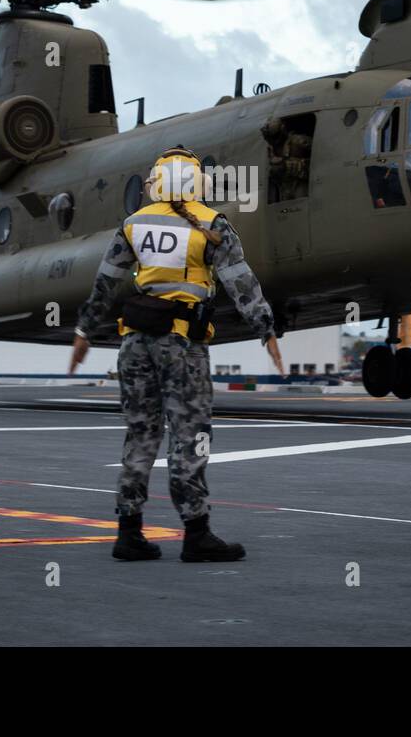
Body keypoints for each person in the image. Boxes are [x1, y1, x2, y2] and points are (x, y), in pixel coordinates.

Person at [69, 146, 283, 562]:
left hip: (134, 343)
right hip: (181, 345)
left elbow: (104, 284)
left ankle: (128, 533)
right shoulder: (211, 225)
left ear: (156, 183)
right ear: (198, 183)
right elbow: (241, 283)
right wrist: (266, 330)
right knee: (190, 436)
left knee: (140, 433)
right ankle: (196, 533)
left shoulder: (133, 225)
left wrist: (84, 331)